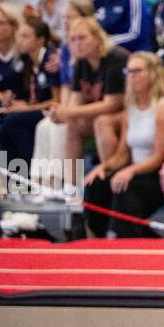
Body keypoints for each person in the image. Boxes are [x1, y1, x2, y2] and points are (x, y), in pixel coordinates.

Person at [82, 51, 164, 237]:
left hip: (158, 174)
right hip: (136, 169)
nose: (131, 76)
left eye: (137, 71)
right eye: (129, 72)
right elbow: (122, 155)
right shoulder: (130, 109)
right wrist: (104, 167)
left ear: (152, 74)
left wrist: (132, 170)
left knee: (127, 186)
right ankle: (97, 237)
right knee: (97, 183)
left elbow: (161, 155)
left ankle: (124, 238)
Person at [44, 17, 129, 196]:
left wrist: (70, 111)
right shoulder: (81, 63)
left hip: (126, 113)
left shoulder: (115, 58)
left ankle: (109, 177)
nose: (77, 44)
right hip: (105, 112)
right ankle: (70, 185)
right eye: (72, 39)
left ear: (97, 38)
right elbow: (76, 101)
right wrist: (62, 114)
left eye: (82, 38)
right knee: (72, 125)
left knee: (102, 122)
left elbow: (112, 104)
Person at [0, 16, 58, 169]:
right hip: (40, 108)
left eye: (25, 36)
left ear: (40, 40)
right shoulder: (30, 61)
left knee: (14, 120)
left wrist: (25, 108)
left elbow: (57, 101)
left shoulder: (50, 60)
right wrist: (16, 102)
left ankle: (32, 173)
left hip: (54, 111)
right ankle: (13, 183)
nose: (19, 40)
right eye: (19, 35)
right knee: (2, 124)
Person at [0, 5, 27, 151]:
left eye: (0, 23)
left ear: (14, 25)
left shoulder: (24, 53)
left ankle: (21, 171)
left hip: (24, 102)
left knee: (9, 124)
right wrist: (3, 98)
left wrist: (16, 102)